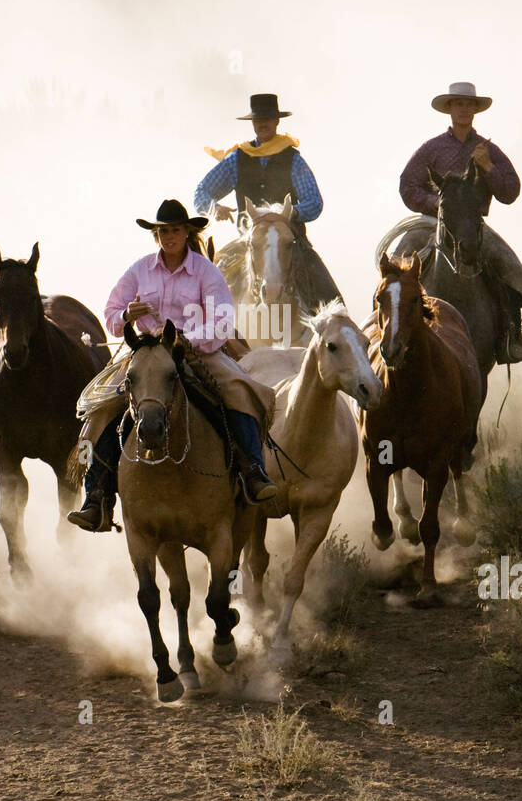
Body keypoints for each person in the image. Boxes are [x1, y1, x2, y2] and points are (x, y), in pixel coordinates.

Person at [67, 199, 278, 532]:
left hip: (196, 351)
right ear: (156, 235)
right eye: (163, 231)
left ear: (186, 232)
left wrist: (189, 338)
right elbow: (111, 311)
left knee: (240, 389)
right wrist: (126, 316)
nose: (169, 236)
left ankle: (253, 471)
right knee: (101, 407)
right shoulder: (139, 270)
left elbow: (223, 319)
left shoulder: (205, 271)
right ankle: (96, 496)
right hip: (147, 352)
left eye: (175, 230)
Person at [398, 81, 522, 363]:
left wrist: (488, 166)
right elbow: (407, 185)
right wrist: (436, 203)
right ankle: (384, 329)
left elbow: (510, 192)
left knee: (512, 268)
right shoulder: (431, 149)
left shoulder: (488, 149)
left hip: (473, 225)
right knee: (396, 263)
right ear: (449, 109)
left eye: (469, 104)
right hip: (433, 223)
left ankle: (512, 339)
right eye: (458, 104)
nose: (464, 109)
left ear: (475, 110)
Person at [193, 92, 342, 309]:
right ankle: (202, 334)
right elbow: (201, 192)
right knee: (210, 285)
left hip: (291, 242)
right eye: (258, 119)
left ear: (276, 121)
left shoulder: (293, 159)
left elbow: (314, 202)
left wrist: (289, 213)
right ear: (253, 123)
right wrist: (214, 208)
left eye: (267, 118)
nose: (262, 123)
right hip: (248, 240)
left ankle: (340, 324)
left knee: (330, 296)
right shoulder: (237, 158)